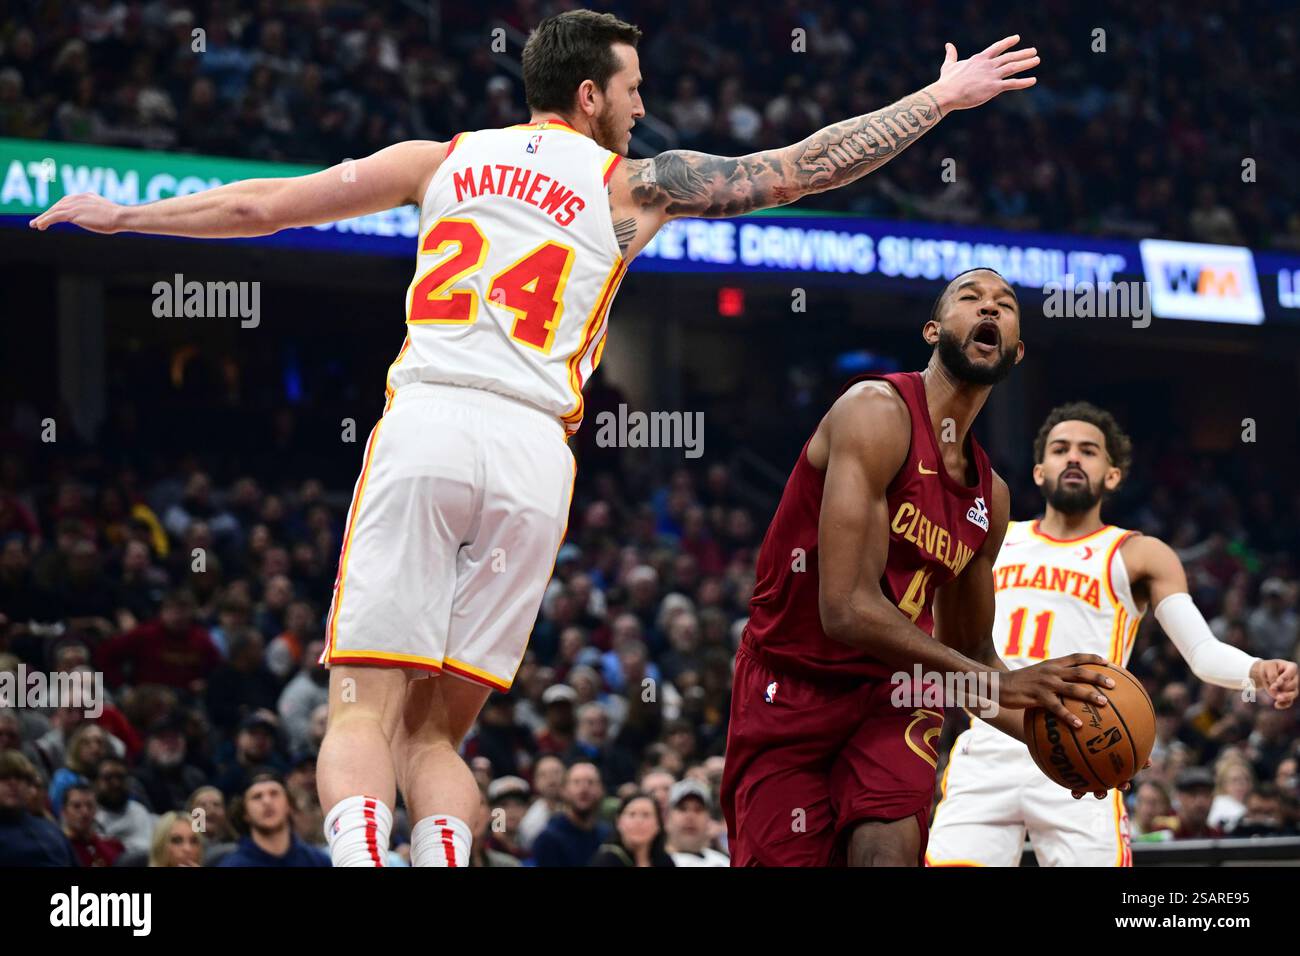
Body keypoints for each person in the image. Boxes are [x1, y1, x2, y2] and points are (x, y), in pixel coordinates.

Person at [32, 7, 1042, 868]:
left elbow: (260, 206)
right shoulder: (633, 186)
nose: (644, 107)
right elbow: (805, 164)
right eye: (634, 89)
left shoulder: (439, 160)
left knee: (359, 716)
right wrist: (936, 101)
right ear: (593, 97)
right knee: (437, 731)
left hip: (430, 418)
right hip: (531, 457)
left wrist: (125, 217)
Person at [720, 269, 1118, 868]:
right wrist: (996, 683)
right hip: (791, 685)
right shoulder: (874, 412)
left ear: (1017, 349)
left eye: (1005, 306)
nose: (990, 308)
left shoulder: (993, 498)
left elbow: (973, 659)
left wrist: (1058, 743)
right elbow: (846, 610)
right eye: (971, 298)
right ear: (933, 330)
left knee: (889, 853)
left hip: (897, 689)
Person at [927, 403, 1297, 866]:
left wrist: (1256, 670)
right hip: (990, 743)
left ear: (1114, 475)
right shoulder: (993, 540)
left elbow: (1201, 652)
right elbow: (950, 646)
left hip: (1088, 752)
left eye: (1089, 450)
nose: (1075, 458)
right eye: (1060, 450)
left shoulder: (1139, 553)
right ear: (1040, 472)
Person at [217, 772, 331, 867]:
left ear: (289, 805)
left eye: (274, 794)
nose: (267, 801)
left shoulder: (318, 861)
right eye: (257, 796)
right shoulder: (232, 865)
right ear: (245, 813)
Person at [0, 751, 77, 866]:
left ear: (29, 787)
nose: (13, 783)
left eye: (20, 778)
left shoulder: (50, 828)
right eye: (4, 777)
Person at [532, 761, 611, 867]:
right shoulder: (548, 839)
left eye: (591, 782)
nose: (584, 789)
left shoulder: (608, 836)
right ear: (563, 790)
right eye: (576, 782)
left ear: (602, 790)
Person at [589, 791, 674, 866]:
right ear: (619, 822)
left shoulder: (665, 861)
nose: (638, 821)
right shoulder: (606, 860)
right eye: (632, 814)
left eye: (646, 815)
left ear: (658, 824)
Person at [93, 755, 156, 855]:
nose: (116, 783)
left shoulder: (138, 810)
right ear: (95, 782)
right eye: (108, 778)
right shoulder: (90, 817)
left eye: (120, 777)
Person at [664, 779, 728, 866]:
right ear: (667, 818)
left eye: (698, 809)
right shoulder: (651, 862)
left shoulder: (723, 862)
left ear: (709, 819)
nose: (690, 816)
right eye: (682, 809)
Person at [62, 783, 125, 867]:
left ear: (96, 810)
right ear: (64, 812)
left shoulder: (115, 847)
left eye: (90, 806)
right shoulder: (57, 852)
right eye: (77, 806)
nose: (85, 812)